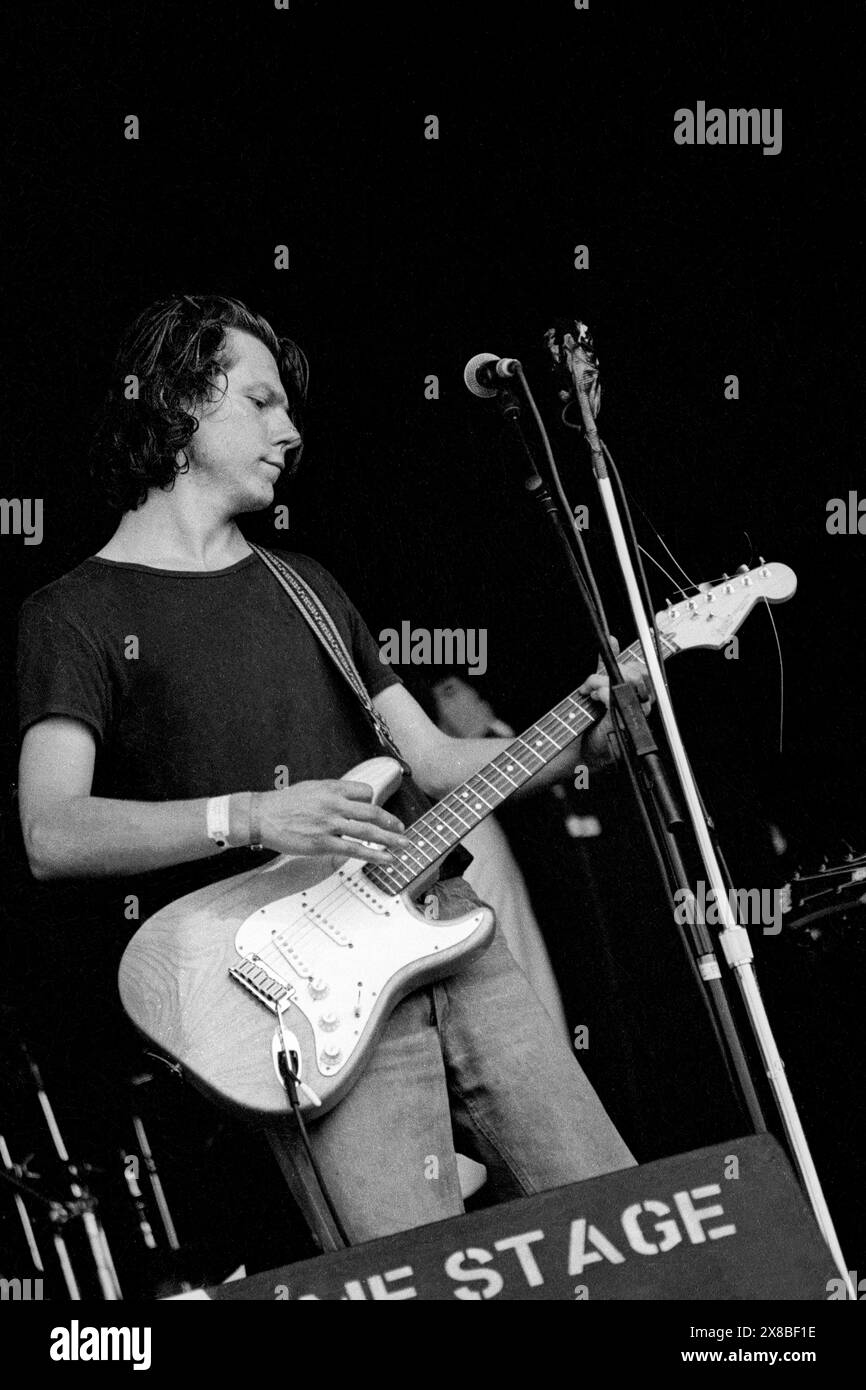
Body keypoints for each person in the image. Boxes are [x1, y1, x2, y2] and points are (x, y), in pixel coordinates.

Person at [16, 293, 652, 1246]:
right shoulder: (74, 614)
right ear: (180, 408)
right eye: (262, 403)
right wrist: (255, 816)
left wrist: (585, 736)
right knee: (413, 1270)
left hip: (447, 934)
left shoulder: (305, 585)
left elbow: (434, 764)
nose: (291, 430)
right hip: (311, 1001)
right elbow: (52, 832)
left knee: (618, 1220)